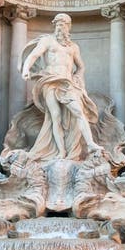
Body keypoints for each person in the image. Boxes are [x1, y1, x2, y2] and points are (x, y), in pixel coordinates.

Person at [20, 13, 103, 161]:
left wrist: (78, 78)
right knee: (55, 117)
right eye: (58, 24)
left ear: (68, 27)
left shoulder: (73, 47)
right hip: (50, 81)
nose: (60, 27)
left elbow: (81, 67)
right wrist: (26, 69)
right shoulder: (48, 41)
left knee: (79, 112)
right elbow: (33, 55)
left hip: (67, 83)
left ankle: (90, 144)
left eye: (63, 24)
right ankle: (61, 152)